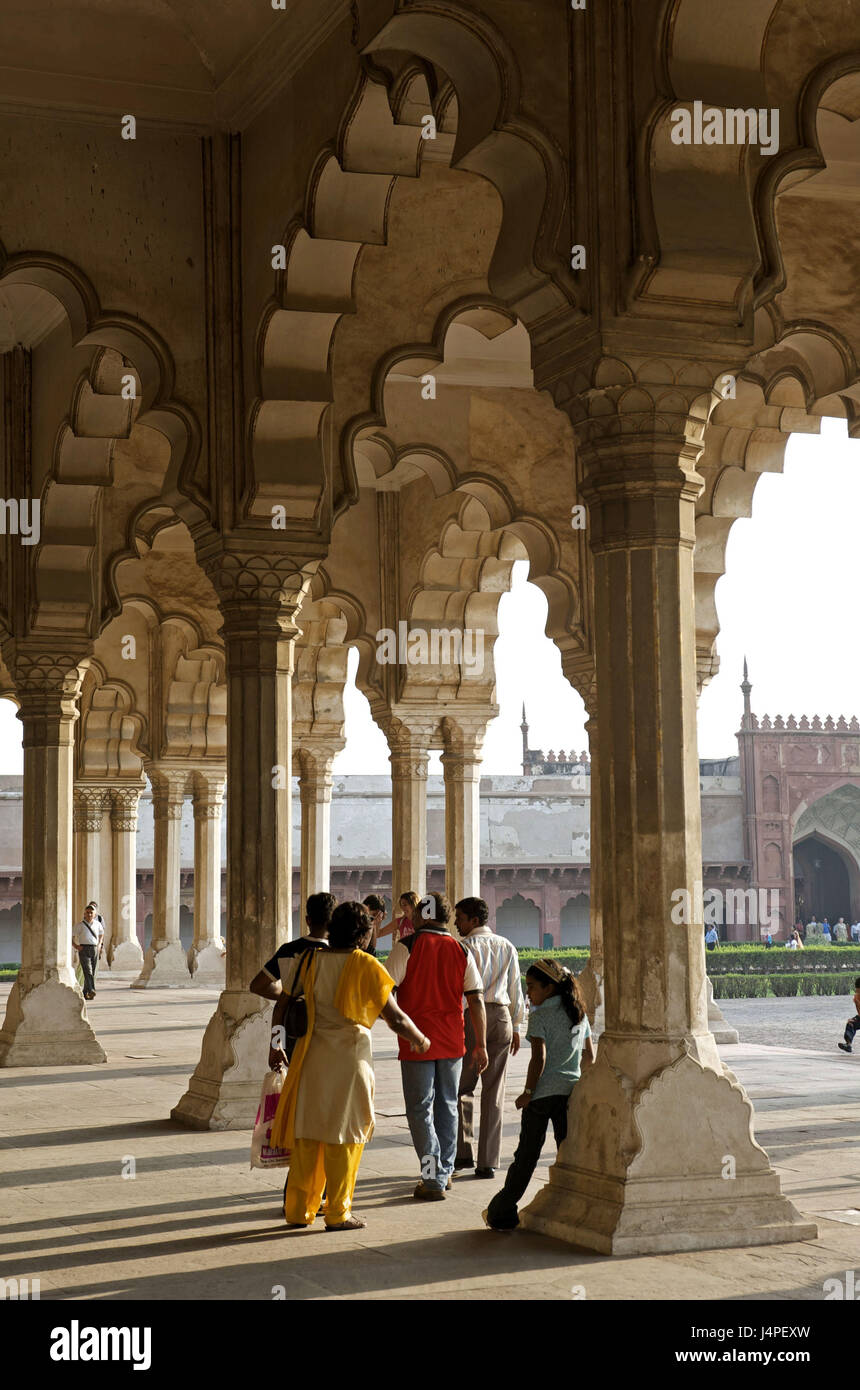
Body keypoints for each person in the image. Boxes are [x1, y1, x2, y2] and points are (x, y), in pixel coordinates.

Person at [270, 901, 429, 1230]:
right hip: (349, 1061)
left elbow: (283, 1005)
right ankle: (338, 1213)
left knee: (307, 1134)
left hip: (310, 1057)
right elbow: (395, 1017)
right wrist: (420, 1039)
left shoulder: (308, 960)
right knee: (343, 1137)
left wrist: (276, 1044)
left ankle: (298, 1210)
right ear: (363, 933)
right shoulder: (366, 965)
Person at [386, 891, 488, 1200]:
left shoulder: (407, 947)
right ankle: (443, 1171)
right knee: (447, 1106)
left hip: (416, 1041)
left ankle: (432, 1176)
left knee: (420, 1109)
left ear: (422, 916)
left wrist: (393, 1023)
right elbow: (476, 999)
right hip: (452, 1041)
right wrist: (480, 1044)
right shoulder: (461, 949)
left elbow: (383, 992)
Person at [484, 959, 595, 1231]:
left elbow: (539, 1058)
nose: (529, 993)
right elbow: (589, 1057)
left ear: (549, 988)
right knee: (567, 1153)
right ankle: (574, 1207)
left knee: (527, 1156)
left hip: (543, 1095)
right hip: (571, 1094)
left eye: (532, 987)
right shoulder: (579, 1013)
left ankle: (502, 1212)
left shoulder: (542, 1014)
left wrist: (528, 1092)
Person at [454, 897, 525, 1179]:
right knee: (494, 1091)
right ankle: (488, 1162)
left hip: (473, 1017)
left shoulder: (463, 947)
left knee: (463, 1087)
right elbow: (516, 989)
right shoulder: (506, 945)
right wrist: (517, 1027)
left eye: (460, 918)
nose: (457, 923)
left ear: (473, 920)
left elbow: (460, 993)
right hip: (502, 1017)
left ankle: (462, 1153)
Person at [249, 892, 336, 1067]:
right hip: (328, 1034)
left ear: (307, 920)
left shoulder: (289, 950)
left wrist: (287, 995)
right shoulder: (336, 954)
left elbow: (257, 986)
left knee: (296, 1085)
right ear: (333, 923)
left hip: (294, 1028)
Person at [72, 904, 104, 1000]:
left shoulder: (98, 924)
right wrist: (76, 946)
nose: (89, 914)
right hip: (83, 949)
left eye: (91, 913)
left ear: (95, 914)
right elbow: (71, 936)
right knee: (87, 970)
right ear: (84, 914)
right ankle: (91, 990)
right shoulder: (80, 925)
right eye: (87, 913)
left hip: (94, 949)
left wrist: (99, 944)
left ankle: (85, 992)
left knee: (92, 972)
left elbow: (101, 934)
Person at [837, 977, 860, 1054]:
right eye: (857, 989)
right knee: (850, 1024)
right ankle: (848, 1045)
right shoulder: (856, 997)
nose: (856, 991)